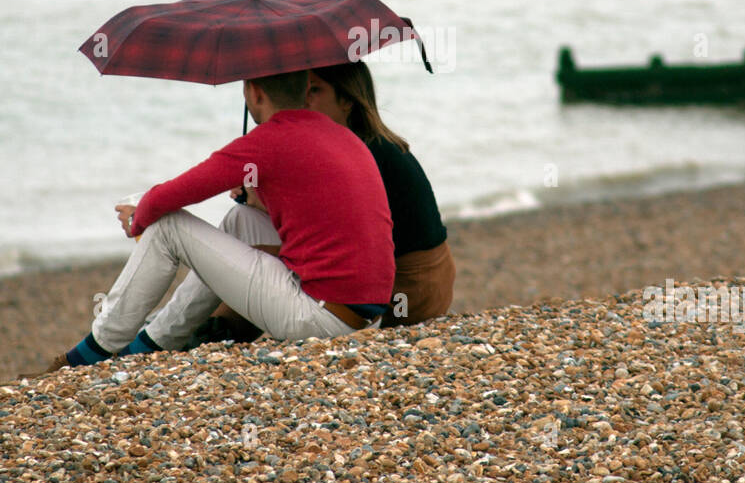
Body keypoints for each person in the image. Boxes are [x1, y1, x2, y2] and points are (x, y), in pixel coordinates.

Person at [42, 69, 395, 370]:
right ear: (305, 90)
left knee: (168, 227)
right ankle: (153, 342)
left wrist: (139, 217)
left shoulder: (268, 141)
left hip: (322, 320)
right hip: (366, 317)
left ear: (253, 93)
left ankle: (95, 351)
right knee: (240, 220)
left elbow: (177, 193)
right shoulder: (339, 134)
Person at [202, 60, 454, 343]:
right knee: (258, 243)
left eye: (315, 91)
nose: (304, 101)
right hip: (408, 280)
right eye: (303, 91)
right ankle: (216, 328)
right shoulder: (356, 144)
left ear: (347, 100)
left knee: (262, 259)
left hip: (409, 292)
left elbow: (318, 222)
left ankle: (219, 330)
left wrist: (256, 198)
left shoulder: (364, 153)